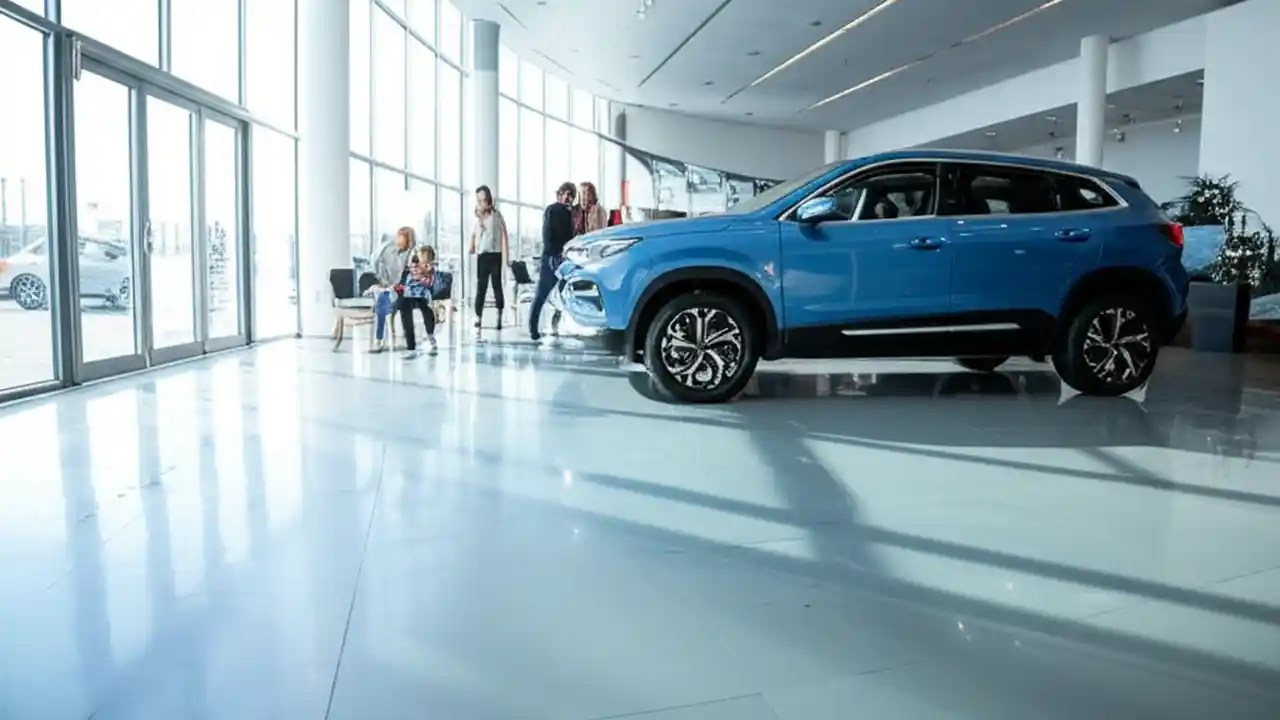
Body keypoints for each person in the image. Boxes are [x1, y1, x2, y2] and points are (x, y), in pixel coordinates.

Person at [529, 182, 576, 341]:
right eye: (565, 193)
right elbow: (547, 235)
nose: (568, 197)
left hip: (563, 258)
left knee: (565, 293)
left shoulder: (570, 214)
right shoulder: (552, 210)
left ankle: (551, 326)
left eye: (571, 195)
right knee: (542, 294)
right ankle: (533, 329)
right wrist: (553, 255)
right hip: (552, 258)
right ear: (560, 194)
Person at [468, 185, 509, 338]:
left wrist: (507, 258)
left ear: (489, 198)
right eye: (479, 199)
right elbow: (473, 234)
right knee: (481, 287)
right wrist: (471, 245)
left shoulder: (497, 215)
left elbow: (504, 235)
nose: (482, 202)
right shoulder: (476, 217)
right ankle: (478, 317)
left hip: (495, 254)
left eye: (484, 199)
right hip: (482, 255)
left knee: (496, 285)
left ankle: (499, 315)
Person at [367, 226, 415, 353]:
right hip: (390, 288)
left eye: (401, 237)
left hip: (405, 289)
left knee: (404, 304)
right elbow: (380, 269)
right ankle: (379, 339)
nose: (397, 239)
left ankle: (409, 341)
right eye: (397, 236)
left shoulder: (411, 254)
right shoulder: (390, 252)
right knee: (382, 304)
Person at [396, 245, 441, 358]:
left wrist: (423, 274)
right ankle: (410, 345)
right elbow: (402, 282)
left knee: (427, 310)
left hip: (422, 295)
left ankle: (430, 334)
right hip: (408, 295)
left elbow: (431, 283)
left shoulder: (430, 269)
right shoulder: (409, 269)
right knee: (403, 307)